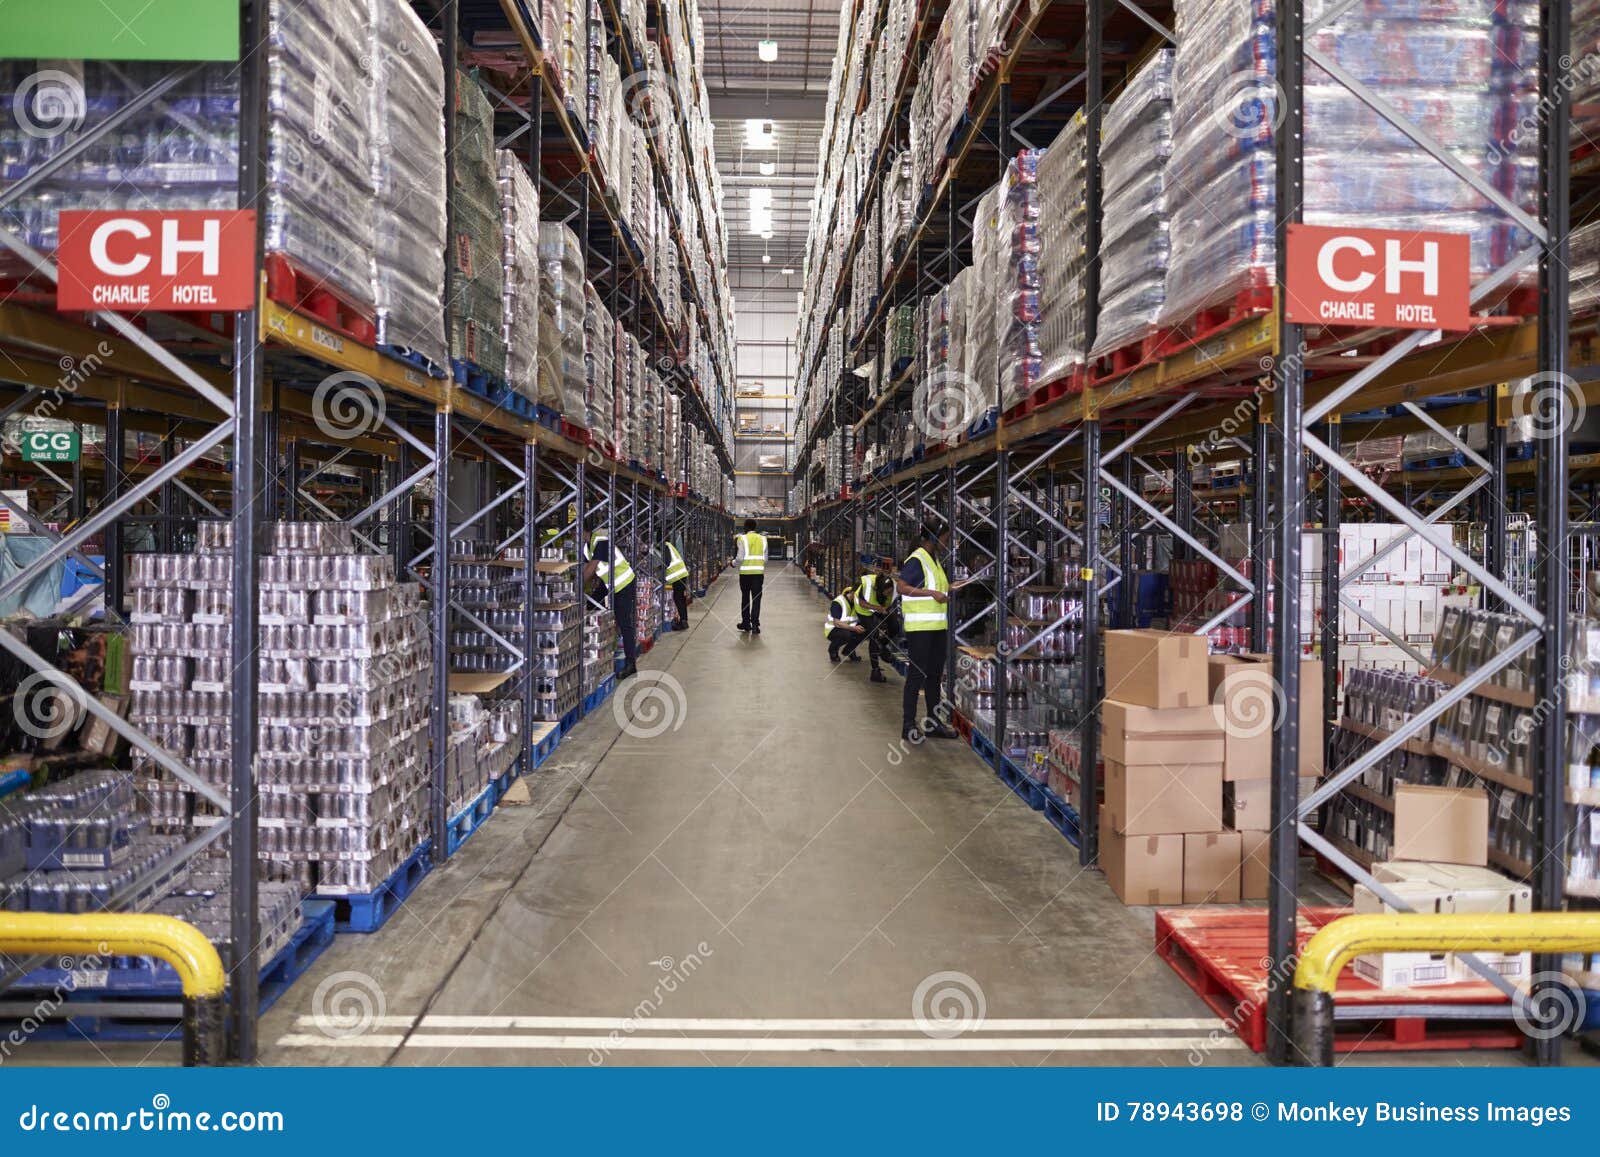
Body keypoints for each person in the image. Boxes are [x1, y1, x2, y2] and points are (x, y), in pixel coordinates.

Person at [896, 523, 960, 741]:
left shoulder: (934, 560)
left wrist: (948, 588)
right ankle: (908, 725)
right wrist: (932, 593)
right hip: (920, 628)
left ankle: (933, 724)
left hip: (936, 628)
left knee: (934, 675)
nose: (947, 543)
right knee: (916, 675)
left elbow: (934, 587)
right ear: (934, 537)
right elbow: (902, 587)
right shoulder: (918, 558)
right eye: (945, 538)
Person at [583, 527, 638, 680]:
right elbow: (586, 569)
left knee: (624, 623)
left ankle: (630, 664)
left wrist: (575, 588)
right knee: (590, 605)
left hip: (624, 583)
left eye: (574, 533)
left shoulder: (600, 541)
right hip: (610, 584)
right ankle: (600, 649)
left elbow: (591, 569)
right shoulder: (587, 547)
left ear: (582, 531)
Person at [854, 557, 896, 684]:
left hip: (881, 608)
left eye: (890, 592)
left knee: (894, 626)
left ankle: (881, 647)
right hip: (864, 609)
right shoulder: (867, 586)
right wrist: (877, 608)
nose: (889, 595)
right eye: (886, 593)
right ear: (879, 589)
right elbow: (861, 603)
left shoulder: (894, 587)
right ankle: (875, 671)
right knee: (874, 634)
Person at [734, 518, 767, 634]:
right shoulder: (763, 539)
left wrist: (733, 563)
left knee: (745, 598)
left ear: (746, 527)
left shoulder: (741, 538)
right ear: (755, 527)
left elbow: (740, 557)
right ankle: (755, 625)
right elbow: (765, 559)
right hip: (758, 574)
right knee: (756, 599)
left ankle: (746, 623)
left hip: (745, 575)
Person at [825, 587, 867, 663]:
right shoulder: (838, 602)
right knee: (846, 634)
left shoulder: (856, 602)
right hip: (833, 629)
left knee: (865, 630)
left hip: (848, 628)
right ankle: (833, 649)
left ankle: (849, 650)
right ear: (853, 592)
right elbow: (836, 623)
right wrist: (854, 628)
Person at [663, 538, 691, 630]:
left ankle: (683, 622)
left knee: (678, 599)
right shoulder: (669, 546)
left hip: (678, 576)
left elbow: (666, 563)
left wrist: (659, 569)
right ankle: (684, 621)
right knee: (681, 599)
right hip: (681, 574)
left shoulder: (666, 547)